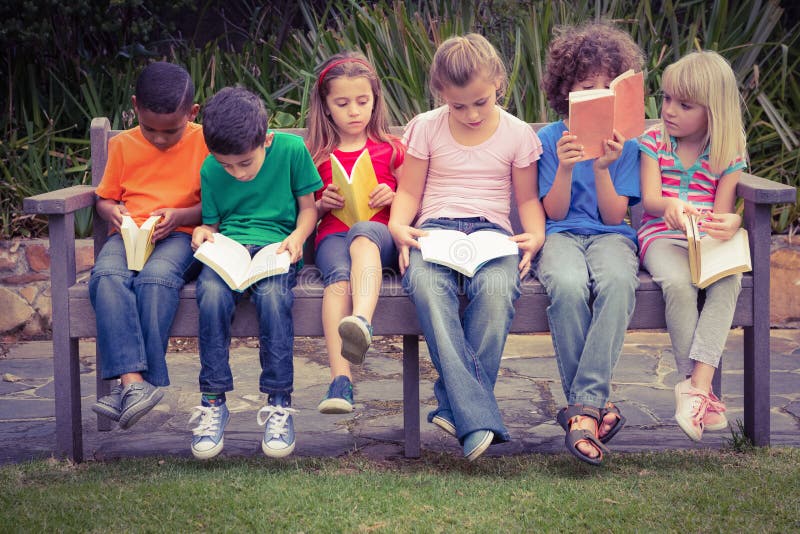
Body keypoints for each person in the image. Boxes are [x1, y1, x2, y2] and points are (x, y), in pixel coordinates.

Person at [389, 34, 546, 461]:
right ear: (442, 94)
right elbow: (409, 191)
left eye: (481, 101)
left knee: (498, 293)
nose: (472, 113)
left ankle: (453, 405)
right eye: (459, 106)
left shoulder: (515, 134)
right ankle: (476, 416)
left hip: (492, 234)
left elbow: (528, 200)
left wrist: (535, 234)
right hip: (435, 231)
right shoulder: (427, 127)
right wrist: (398, 226)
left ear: (498, 82)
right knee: (424, 285)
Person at [188, 87, 322, 459]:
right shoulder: (211, 168)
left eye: (244, 163)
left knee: (273, 297)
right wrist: (203, 232)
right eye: (226, 165)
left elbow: (309, 209)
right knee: (211, 296)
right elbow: (212, 224)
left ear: (266, 138)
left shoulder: (292, 152)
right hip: (230, 252)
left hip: (276, 250)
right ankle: (213, 401)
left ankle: (279, 401)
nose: (236, 172)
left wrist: (297, 236)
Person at [535, 22, 644, 465]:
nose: (597, 93)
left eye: (607, 87)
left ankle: (582, 411)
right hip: (560, 235)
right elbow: (554, 214)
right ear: (566, 91)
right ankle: (597, 408)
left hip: (610, 236)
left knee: (619, 282)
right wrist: (564, 167)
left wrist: (602, 167)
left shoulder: (627, 146)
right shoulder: (547, 140)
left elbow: (616, 216)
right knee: (565, 285)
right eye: (586, 86)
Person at [89, 61, 207, 429]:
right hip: (129, 234)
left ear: (192, 112)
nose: (158, 139)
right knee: (106, 276)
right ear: (135, 106)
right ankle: (133, 383)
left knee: (154, 280)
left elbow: (219, 203)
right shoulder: (123, 145)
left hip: (180, 236)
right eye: (149, 129)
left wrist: (182, 215)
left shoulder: (205, 141)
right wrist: (113, 213)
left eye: (170, 131)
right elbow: (104, 198)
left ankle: (136, 385)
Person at [638, 51, 747, 441]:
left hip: (705, 242)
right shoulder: (655, 140)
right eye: (666, 99)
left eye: (684, 104)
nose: (669, 110)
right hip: (661, 237)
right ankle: (699, 390)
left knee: (729, 280)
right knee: (680, 285)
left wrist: (732, 219)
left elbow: (723, 213)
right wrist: (669, 205)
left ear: (712, 110)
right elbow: (651, 200)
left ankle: (696, 388)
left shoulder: (727, 152)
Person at [306, 51, 405, 414]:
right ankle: (340, 381)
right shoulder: (316, 156)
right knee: (336, 282)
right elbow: (301, 213)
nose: (354, 111)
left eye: (362, 101)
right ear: (326, 106)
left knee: (364, 233)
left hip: (381, 237)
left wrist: (393, 198)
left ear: (375, 100)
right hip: (333, 234)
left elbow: (415, 204)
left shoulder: (393, 150)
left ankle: (361, 320)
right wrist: (320, 205)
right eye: (342, 103)